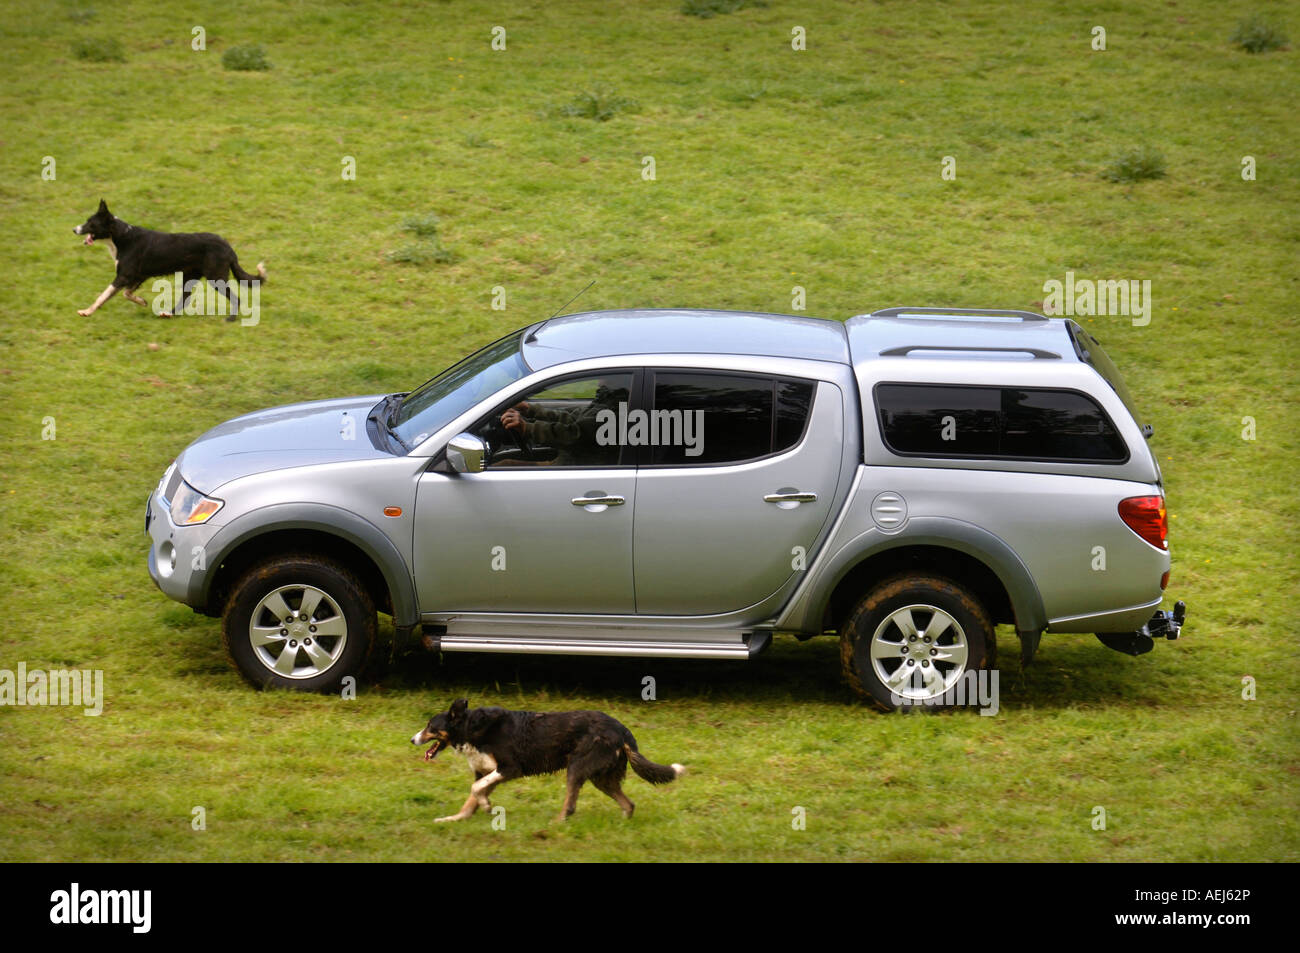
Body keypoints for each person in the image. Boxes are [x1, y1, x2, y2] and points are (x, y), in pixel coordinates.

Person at [499, 377, 629, 466]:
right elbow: (572, 419)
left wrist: (526, 428)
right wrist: (529, 409)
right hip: (572, 464)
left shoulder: (614, 410)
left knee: (504, 466)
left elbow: (573, 434)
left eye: (604, 377)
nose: (598, 383)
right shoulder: (608, 399)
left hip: (580, 470)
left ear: (617, 379)